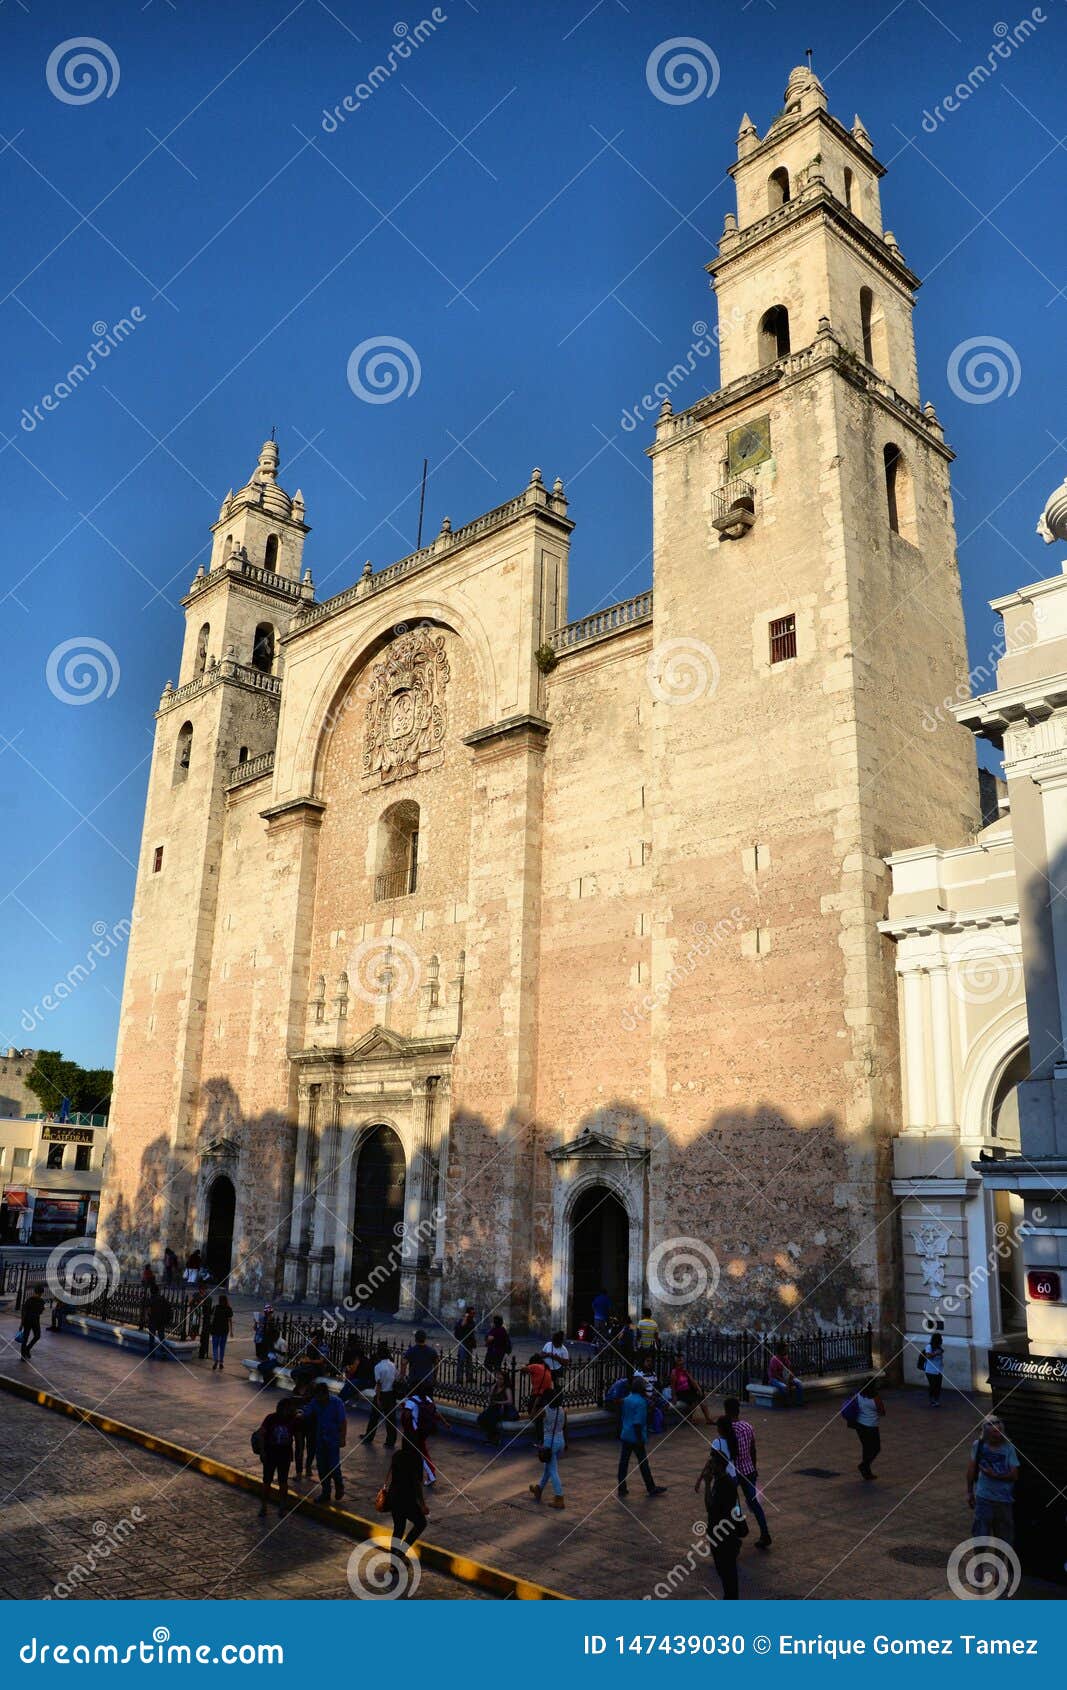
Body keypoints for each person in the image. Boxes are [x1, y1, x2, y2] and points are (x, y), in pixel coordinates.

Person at [722, 1397, 772, 1548]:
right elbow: (753, 1449)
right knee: (754, 1504)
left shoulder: (729, 1429)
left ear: (726, 1411)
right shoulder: (747, 1427)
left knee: (732, 1504)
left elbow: (726, 1454)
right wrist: (754, 1468)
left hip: (734, 1473)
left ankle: (737, 1531)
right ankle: (765, 1533)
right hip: (749, 1469)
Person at [697, 1445, 745, 1600]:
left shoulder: (724, 1484)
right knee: (724, 1572)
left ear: (719, 1466)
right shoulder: (723, 1481)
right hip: (720, 1534)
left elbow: (709, 1507)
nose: (709, 1466)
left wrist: (706, 1485)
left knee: (727, 1572)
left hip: (724, 1536)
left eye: (712, 1464)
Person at [967, 1416, 1019, 1546]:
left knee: (1003, 1538)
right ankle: (979, 1565)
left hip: (1004, 1499)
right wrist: (969, 1492)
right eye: (991, 1424)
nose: (996, 1425)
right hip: (983, 1497)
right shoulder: (978, 1446)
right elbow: (971, 1470)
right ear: (985, 1430)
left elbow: (1014, 1475)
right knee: (980, 1535)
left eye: (998, 1422)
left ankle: (999, 1565)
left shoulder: (1009, 1448)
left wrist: (994, 1475)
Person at [617, 1377, 667, 1498]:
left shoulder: (627, 1399)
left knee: (623, 1463)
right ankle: (651, 1487)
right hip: (635, 1436)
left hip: (626, 1434)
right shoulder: (641, 1402)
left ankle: (622, 1487)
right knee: (643, 1463)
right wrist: (640, 1439)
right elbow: (638, 1423)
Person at [304, 1381, 347, 1504]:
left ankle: (339, 1485)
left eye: (319, 1396)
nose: (318, 1399)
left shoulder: (337, 1403)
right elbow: (307, 1413)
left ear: (325, 1394)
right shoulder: (315, 1403)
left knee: (334, 1466)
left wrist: (342, 1438)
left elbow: (343, 1422)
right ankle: (326, 1492)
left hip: (333, 1439)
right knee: (322, 1467)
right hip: (320, 1439)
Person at [384, 1436, 428, 1553]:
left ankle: (394, 1560)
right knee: (421, 1523)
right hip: (408, 1499)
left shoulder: (397, 1455)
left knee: (398, 1529)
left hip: (394, 1496)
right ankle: (402, 1550)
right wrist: (422, 1504)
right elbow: (417, 1484)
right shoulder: (416, 1458)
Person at [255, 1398, 297, 1517]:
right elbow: (262, 1434)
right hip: (272, 1453)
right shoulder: (271, 1418)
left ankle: (279, 1506)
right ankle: (265, 1506)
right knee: (268, 1481)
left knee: (280, 1481)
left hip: (281, 1454)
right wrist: (263, 1451)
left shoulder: (291, 1420)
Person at [529, 1388, 567, 1508]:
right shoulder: (563, 1410)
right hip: (560, 1440)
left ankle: (559, 1497)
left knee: (553, 1471)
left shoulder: (544, 1411)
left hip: (549, 1443)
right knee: (549, 1467)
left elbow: (532, 1417)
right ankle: (539, 1489)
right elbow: (565, 1426)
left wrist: (536, 1403)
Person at [843, 1377, 885, 1479]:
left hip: (859, 1425)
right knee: (876, 1448)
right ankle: (864, 1465)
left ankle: (866, 1471)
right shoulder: (875, 1398)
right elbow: (882, 1412)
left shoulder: (858, 1394)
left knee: (866, 1447)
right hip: (871, 1426)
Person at [361, 1342, 398, 1447]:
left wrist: (377, 1398)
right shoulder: (392, 1365)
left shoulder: (378, 1367)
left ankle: (369, 1437)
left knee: (374, 1417)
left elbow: (378, 1384)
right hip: (391, 1394)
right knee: (391, 1419)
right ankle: (391, 1441)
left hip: (382, 1394)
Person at [669, 1353, 714, 1425]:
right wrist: (674, 1396)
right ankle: (689, 1418)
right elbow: (673, 1386)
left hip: (688, 1391)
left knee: (701, 1396)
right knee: (697, 1399)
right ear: (676, 1363)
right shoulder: (674, 1373)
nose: (681, 1365)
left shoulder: (684, 1371)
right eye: (680, 1363)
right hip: (681, 1392)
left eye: (682, 1363)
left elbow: (693, 1381)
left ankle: (707, 1418)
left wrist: (698, 1389)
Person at [476, 1369, 516, 1446]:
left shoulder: (507, 1389)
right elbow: (490, 1396)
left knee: (492, 1420)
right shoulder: (494, 1386)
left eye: (501, 1379)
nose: (499, 1381)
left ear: (504, 1380)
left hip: (502, 1409)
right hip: (493, 1407)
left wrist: (499, 1402)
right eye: (498, 1378)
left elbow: (510, 1401)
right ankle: (491, 1436)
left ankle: (494, 1438)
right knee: (481, 1418)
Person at [524, 1352, 555, 1444]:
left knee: (537, 1417)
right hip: (547, 1395)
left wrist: (526, 1366)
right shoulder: (546, 1368)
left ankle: (540, 1439)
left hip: (538, 1395)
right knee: (542, 1416)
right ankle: (544, 1438)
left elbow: (523, 1369)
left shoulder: (535, 1366)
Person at [19, 1283, 46, 1361]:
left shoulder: (29, 1300)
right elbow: (41, 1312)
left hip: (27, 1321)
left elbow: (24, 1312)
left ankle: (23, 1354)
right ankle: (27, 1349)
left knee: (25, 1338)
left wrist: (21, 1323)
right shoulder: (41, 1301)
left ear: (35, 1291)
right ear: (41, 1293)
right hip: (35, 1321)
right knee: (37, 1336)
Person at [209, 1293, 233, 1370]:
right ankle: (221, 1362)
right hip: (224, 1330)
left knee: (215, 1346)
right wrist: (232, 1331)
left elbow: (211, 1318)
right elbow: (230, 1320)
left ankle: (216, 1359)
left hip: (215, 1329)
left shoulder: (215, 1308)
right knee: (222, 1347)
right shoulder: (228, 1309)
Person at [454, 1309, 478, 1383]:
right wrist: (465, 1317)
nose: (473, 1315)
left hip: (469, 1343)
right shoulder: (463, 1320)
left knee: (469, 1361)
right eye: (472, 1313)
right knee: (461, 1360)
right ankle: (459, 1378)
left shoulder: (472, 1322)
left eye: (474, 1313)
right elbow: (462, 1325)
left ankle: (469, 1377)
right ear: (468, 1313)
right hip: (463, 1343)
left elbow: (473, 1331)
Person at [921, 1332, 945, 1405]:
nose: (941, 1340)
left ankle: (936, 1400)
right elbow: (928, 1356)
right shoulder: (929, 1346)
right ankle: (932, 1400)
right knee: (933, 1385)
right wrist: (936, 1353)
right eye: (940, 1339)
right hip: (930, 1370)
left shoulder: (939, 1347)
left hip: (938, 1370)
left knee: (938, 1386)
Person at [146, 1286, 170, 1357]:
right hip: (161, 1321)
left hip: (153, 1320)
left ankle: (151, 1352)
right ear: (158, 1291)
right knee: (161, 1337)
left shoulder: (151, 1299)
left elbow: (148, 1311)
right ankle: (164, 1352)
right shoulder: (162, 1299)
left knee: (152, 1337)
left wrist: (147, 1318)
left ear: (151, 1292)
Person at [194, 1290, 213, 1361]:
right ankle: (203, 1352)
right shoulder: (207, 1302)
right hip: (206, 1321)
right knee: (204, 1337)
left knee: (204, 1336)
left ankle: (203, 1352)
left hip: (206, 1320)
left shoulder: (205, 1303)